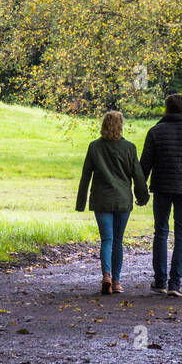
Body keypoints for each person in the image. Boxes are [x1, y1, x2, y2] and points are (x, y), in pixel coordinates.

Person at [140, 92, 182, 298]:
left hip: (162, 187)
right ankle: (175, 284)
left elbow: (145, 164)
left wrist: (140, 186)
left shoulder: (155, 132)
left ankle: (160, 281)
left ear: (166, 108)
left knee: (160, 232)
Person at [75, 110, 149, 295]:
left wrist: (81, 202)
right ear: (120, 126)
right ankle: (116, 282)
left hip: (101, 199)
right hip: (122, 200)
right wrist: (143, 196)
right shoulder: (129, 148)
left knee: (106, 239)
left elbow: (86, 175)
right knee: (118, 240)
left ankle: (106, 275)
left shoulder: (94, 147)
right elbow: (138, 176)